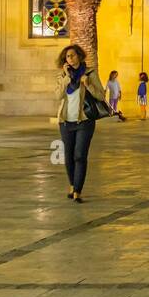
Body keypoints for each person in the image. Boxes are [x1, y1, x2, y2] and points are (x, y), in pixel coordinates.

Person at [56, 44, 106, 202]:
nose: (70, 59)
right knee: (68, 157)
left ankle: (77, 190)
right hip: (65, 122)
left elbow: (101, 95)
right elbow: (57, 96)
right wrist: (65, 78)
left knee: (79, 155)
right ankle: (72, 185)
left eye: (72, 55)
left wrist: (88, 84)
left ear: (79, 56)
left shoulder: (90, 73)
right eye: (67, 57)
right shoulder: (63, 76)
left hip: (84, 121)